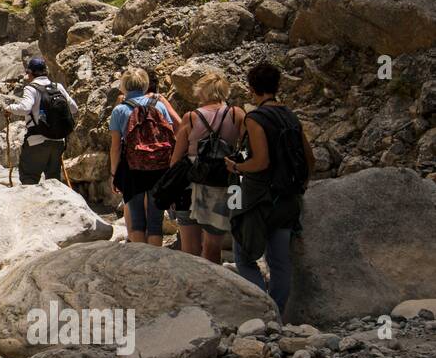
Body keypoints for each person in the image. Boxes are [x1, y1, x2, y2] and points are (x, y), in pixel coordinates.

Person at [226, 62, 314, 314]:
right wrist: (300, 187)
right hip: (288, 199)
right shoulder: (290, 115)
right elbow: (310, 159)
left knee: (243, 256)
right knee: (279, 262)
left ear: (251, 88)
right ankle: (278, 313)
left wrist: (235, 167)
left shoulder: (255, 119)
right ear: (277, 86)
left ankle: (264, 310)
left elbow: (261, 161)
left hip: (259, 199)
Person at [169, 71, 245, 262]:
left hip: (190, 185)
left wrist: (170, 188)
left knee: (190, 249)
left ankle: (191, 288)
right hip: (223, 185)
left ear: (202, 92)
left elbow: (176, 159)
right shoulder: (237, 114)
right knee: (213, 248)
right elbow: (245, 151)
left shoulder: (191, 117)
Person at [109, 67, 176, 245]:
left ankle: (139, 264)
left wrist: (114, 174)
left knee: (137, 220)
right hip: (159, 167)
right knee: (155, 221)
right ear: (145, 85)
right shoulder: (159, 105)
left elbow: (115, 147)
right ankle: (154, 264)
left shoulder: (120, 110)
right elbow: (170, 135)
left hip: (133, 168)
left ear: (124, 86)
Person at [4, 57, 78, 185]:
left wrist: (9, 108)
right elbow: (74, 108)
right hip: (59, 141)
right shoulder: (58, 87)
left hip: (36, 141)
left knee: (29, 177)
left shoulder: (31, 88)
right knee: (54, 180)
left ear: (30, 73)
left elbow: (25, 108)